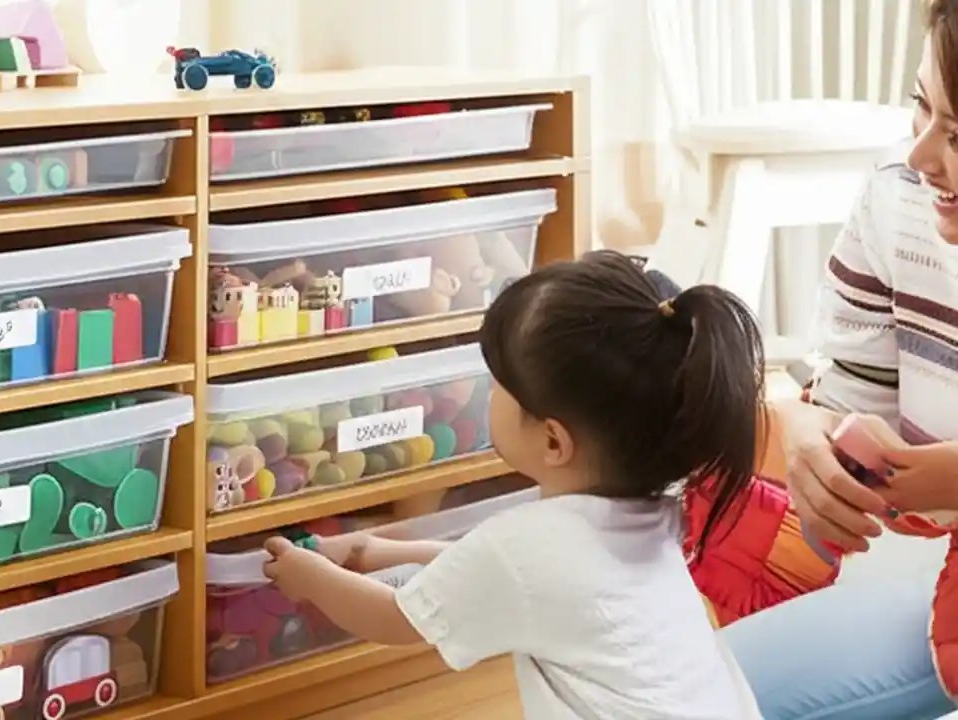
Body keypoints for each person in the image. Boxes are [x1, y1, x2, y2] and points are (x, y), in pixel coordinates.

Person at [262, 250, 764, 719]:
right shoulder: (652, 515)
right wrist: (377, 550)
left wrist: (309, 578)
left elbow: (395, 618)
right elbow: (512, 577)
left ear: (552, 441)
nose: (489, 392)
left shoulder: (528, 546)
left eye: (499, 382)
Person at [720, 3, 958, 718]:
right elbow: (850, 402)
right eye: (922, 107)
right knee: (670, 696)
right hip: (932, 582)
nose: (921, 156)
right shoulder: (900, 200)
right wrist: (806, 433)